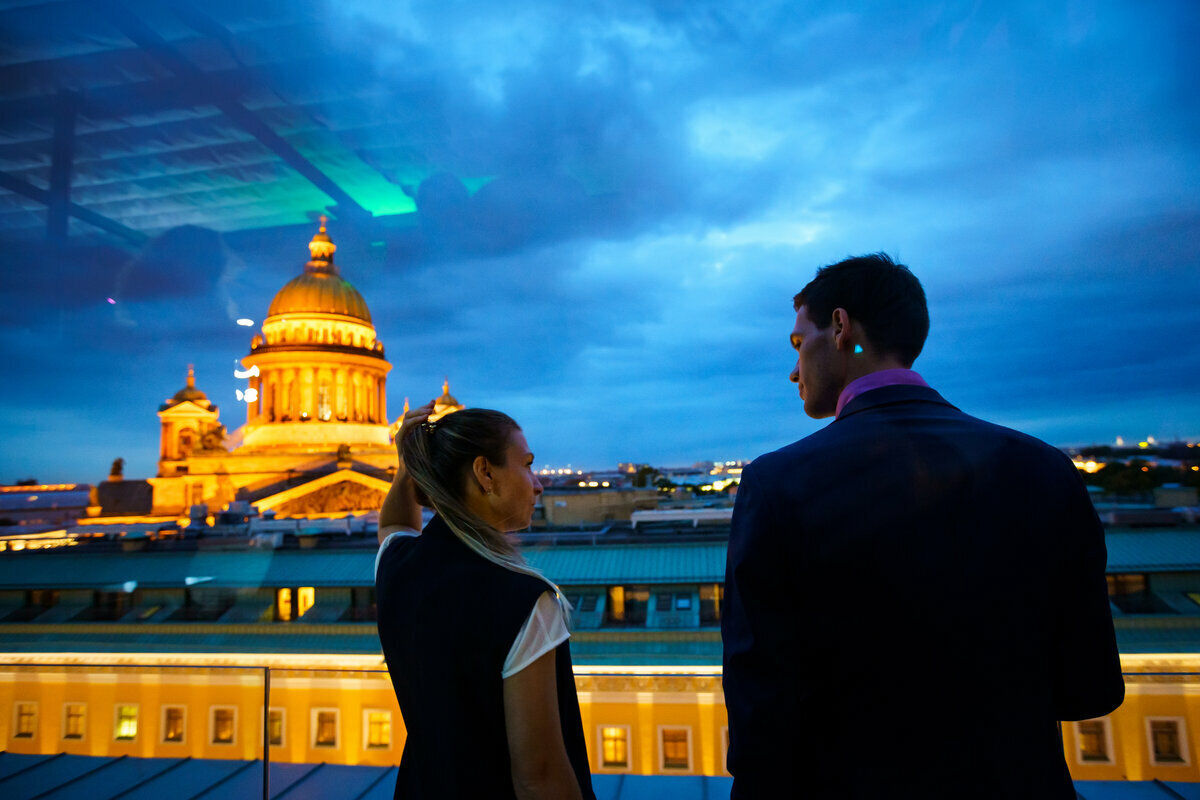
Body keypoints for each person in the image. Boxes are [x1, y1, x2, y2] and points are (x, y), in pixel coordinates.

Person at [721, 253, 1124, 798]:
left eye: (798, 343)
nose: (794, 369)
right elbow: (1089, 691)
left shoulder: (777, 484)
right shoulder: (1043, 468)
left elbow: (761, 730)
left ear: (841, 329)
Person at [375, 402, 595, 800]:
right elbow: (539, 778)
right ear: (485, 473)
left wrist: (408, 462)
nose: (539, 483)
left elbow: (393, 525)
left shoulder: (397, 568)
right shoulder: (525, 601)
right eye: (526, 464)